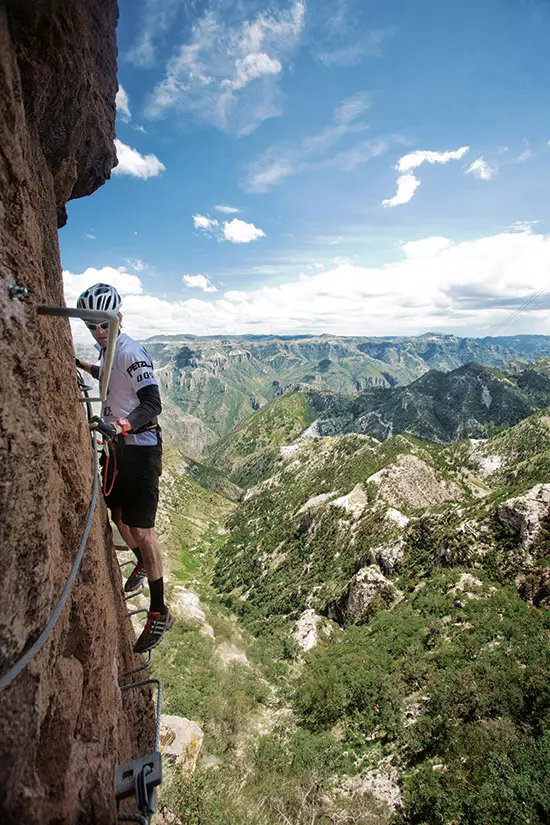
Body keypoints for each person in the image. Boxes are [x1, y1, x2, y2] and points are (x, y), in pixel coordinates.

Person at [75, 283, 173, 653]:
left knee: (144, 532)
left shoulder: (131, 351)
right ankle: (142, 565)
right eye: (91, 327)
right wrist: (80, 365)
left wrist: (120, 426)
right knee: (118, 517)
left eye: (104, 324)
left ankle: (160, 610)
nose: (99, 332)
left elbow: (152, 404)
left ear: (118, 318)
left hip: (141, 450)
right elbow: (108, 373)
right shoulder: (112, 350)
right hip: (119, 451)